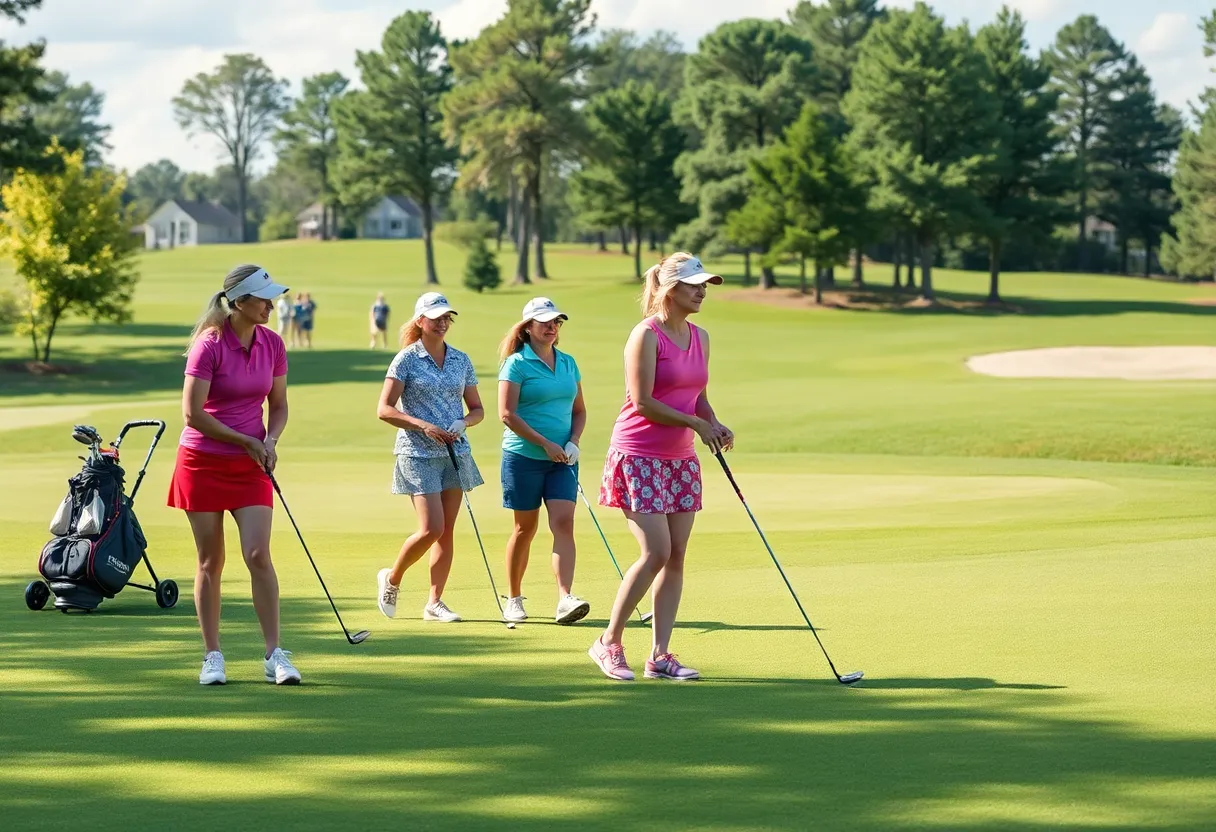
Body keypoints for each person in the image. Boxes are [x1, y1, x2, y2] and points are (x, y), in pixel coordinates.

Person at [588, 253, 734, 682]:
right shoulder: (646, 335)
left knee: (677, 555)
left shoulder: (701, 336)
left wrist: (713, 422)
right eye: (694, 284)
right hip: (638, 455)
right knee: (656, 551)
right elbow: (644, 402)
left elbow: (696, 395)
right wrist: (695, 423)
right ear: (671, 289)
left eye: (705, 284)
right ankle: (608, 642)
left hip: (680, 458)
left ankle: (660, 655)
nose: (702, 290)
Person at [167, 263, 301, 687]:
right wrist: (245, 440)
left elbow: (277, 406)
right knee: (211, 561)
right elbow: (192, 414)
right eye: (263, 298)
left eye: (272, 297)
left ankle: (274, 653)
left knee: (258, 554)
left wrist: (270, 440)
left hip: (251, 464)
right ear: (239, 302)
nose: (271, 304)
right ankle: (212, 655)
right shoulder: (208, 345)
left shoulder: (273, 344)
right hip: (202, 461)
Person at [375, 291, 485, 623]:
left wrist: (462, 423)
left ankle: (434, 602)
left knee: (446, 530)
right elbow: (384, 409)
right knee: (431, 529)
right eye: (435, 318)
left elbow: (478, 409)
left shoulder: (460, 360)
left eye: (446, 318)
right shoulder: (406, 359)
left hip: (455, 452)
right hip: (417, 453)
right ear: (420, 321)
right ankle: (392, 579)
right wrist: (423, 425)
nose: (442, 323)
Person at [497, 297, 590, 625]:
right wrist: (546, 444)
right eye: (545, 322)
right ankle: (514, 598)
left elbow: (579, 411)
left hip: (563, 458)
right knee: (525, 528)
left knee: (564, 522)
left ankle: (565, 598)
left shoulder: (568, 363)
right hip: (523, 457)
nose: (552, 327)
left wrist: (572, 442)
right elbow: (506, 414)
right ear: (528, 328)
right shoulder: (516, 364)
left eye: (557, 322)